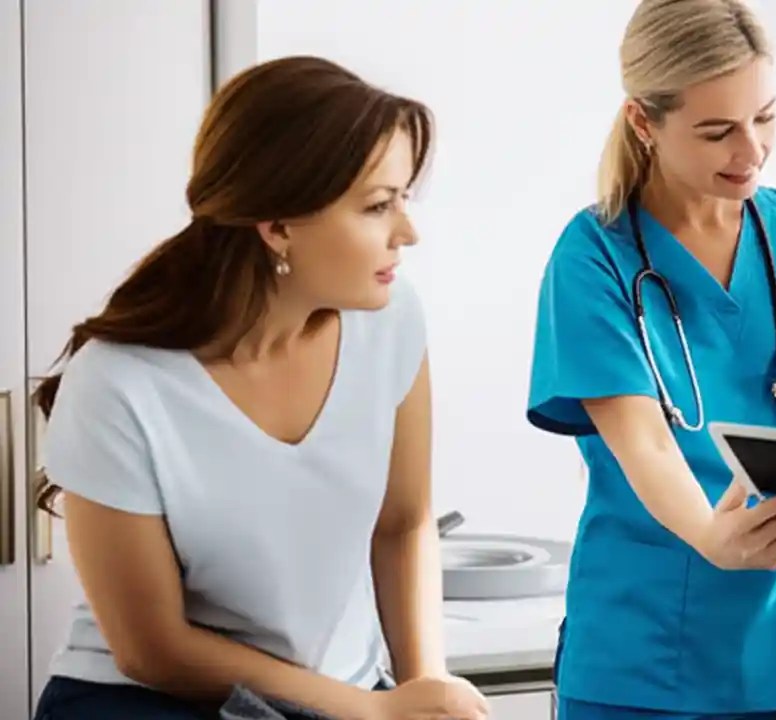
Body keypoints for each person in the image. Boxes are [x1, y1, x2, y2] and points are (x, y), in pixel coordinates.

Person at [30, 56, 489, 720]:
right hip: (150, 701)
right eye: (377, 206)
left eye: (404, 199)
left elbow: (402, 523)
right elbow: (152, 648)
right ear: (277, 227)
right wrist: (376, 713)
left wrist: (425, 691)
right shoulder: (118, 384)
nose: (407, 233)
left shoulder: (390, 322)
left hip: (341, 695)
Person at [525, 1, 776, 717]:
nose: (751, 150)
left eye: (765, 117)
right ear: (644, 122)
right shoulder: (595, 255)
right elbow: (644, 441)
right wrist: (710, 535)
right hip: (645, 657)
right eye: (717, 131)